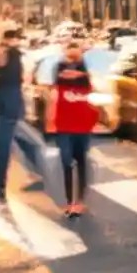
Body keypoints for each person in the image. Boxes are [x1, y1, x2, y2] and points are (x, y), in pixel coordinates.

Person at [53, 41, 97, 217]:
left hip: (82, 125)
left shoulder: (85, 76)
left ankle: (79, 202)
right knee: (66, 162)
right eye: (69, 52)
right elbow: (61, 77)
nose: (72, 56)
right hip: (64, 125)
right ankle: (70, 201)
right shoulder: (60, 70)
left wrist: (76, 72)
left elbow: (83, 80)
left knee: (81, 162)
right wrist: (73, 72)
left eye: (76, 53)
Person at [0, 28, 28, 202]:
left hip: (8, 107)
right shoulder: (13, 55)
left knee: (3, 148)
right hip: (10, 105)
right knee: (16, 146)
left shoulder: (11, 54)